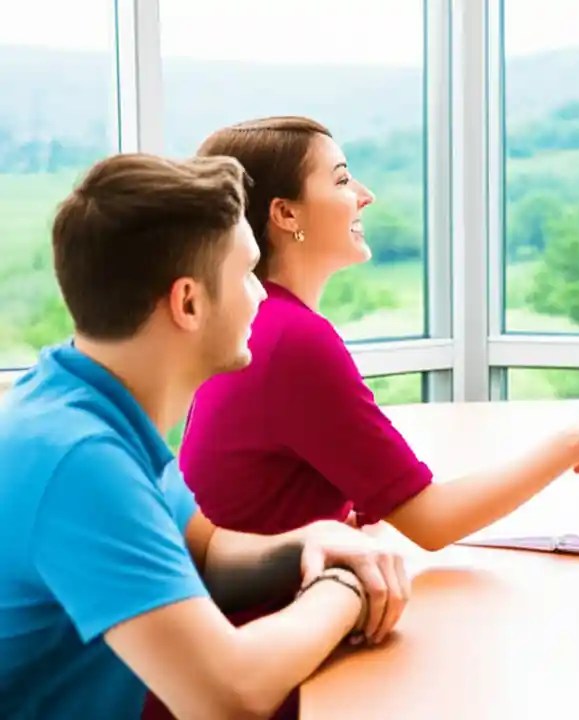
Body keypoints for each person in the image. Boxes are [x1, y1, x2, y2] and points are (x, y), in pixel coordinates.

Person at [0, 153, 414, 719]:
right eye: (246, 273)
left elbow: (206, 553)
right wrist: (344, 588)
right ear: (188, 302)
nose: (261, 295)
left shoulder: (82, 400)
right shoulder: (79, 460)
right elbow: (227, 696)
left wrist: (312, 542)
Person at [178, 117, 579, 561]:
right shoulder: (293, 339)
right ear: (285, 213)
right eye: (342, 180)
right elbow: (433, 522)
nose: (365, 196)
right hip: (267, 609)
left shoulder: (259, 322)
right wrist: (573, 442)